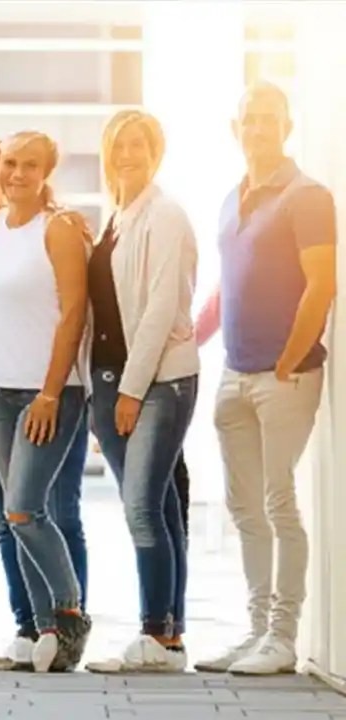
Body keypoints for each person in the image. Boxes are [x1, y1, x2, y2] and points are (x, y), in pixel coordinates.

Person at [196, 82, 336, 676]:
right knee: (244, 509)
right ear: (236, 128)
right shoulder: (234, 197)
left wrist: (287, 360)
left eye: (269, 119)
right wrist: (191, 336)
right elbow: (229, 285)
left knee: (280, 505)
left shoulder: (308, 196)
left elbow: (321, 284)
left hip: (285, 378)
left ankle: (283, 636)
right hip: (234, 374)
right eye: (250, 119)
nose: (259, 128)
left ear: (286, 126)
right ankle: (255, 631)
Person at [0, 136, 92, 672]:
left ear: (46, 171)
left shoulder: (58, 228)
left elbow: (74, 311)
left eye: (25, 165)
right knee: (16, 518)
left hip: (47, 392)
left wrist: (51, 392)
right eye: (8, 163)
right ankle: (46, 638)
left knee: (23, 508)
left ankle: (70, 612)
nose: (13, 173)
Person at [81, 110, 198, 674]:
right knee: (163, 506)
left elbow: (159, 310)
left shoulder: (165, 214)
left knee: (143, 509)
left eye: (138, 144)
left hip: (157, 380)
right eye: (118, 145)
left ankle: (155, 632)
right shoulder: (120, 217)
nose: (127, 153)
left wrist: (129, 390)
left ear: (156, 151)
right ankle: (169, 639)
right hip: (111, 380)